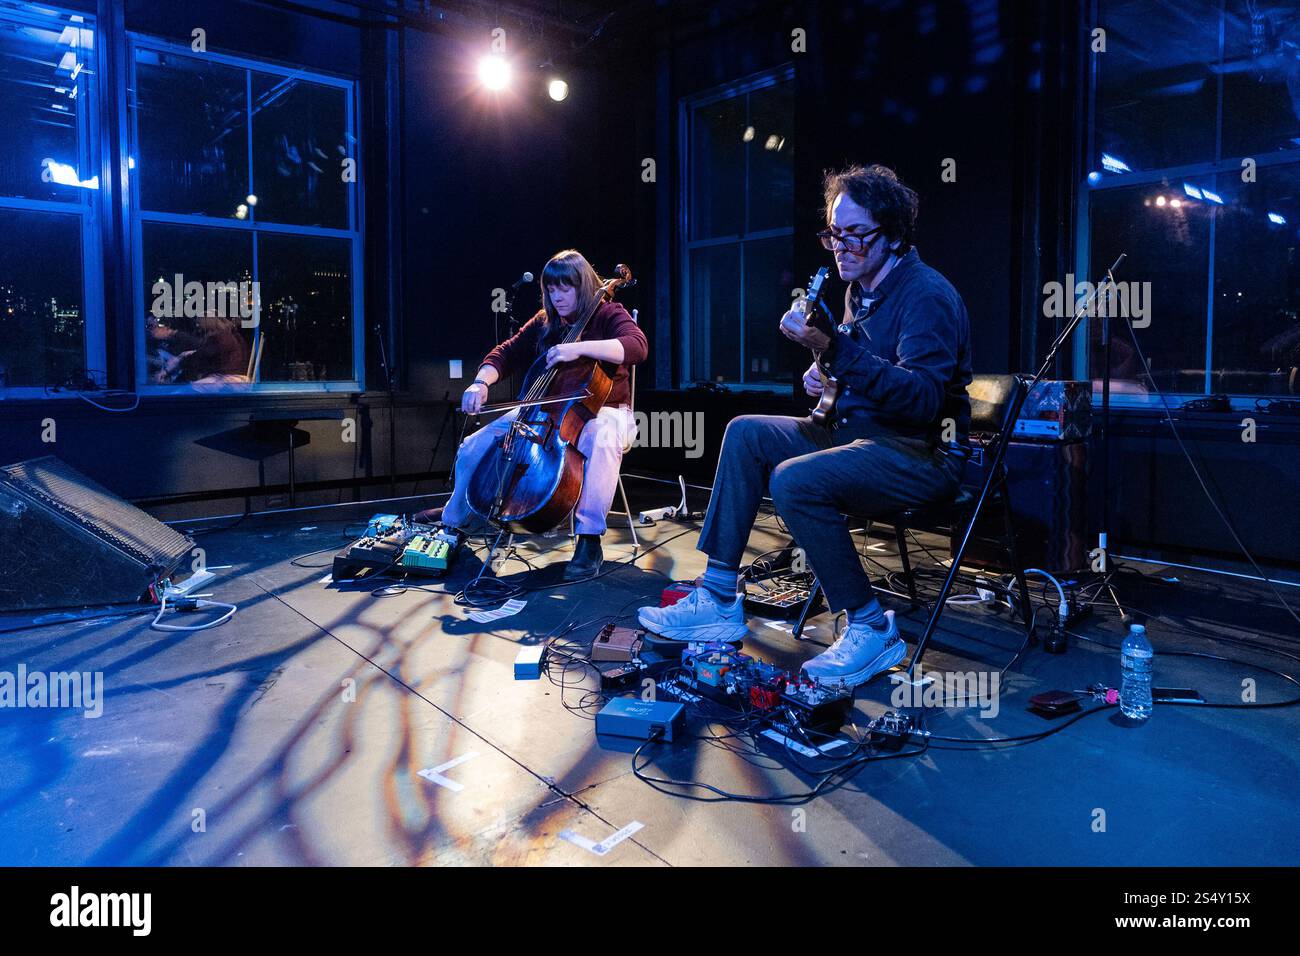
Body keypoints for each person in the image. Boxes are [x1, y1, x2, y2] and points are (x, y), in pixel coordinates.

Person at [639, 164, 973, 688]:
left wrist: (832, 350)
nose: (841, 247)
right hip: (859, 433)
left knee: (795, 478)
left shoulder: (925, 295)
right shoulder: (859, 290)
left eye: (856, 235)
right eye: (834, 234)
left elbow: (922, 401)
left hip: (922, 451)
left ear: (892, 235)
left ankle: (870, 627)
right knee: (746, 431)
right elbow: (861, 370)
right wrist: (826, 374)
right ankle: (720, 597)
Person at [420, 249, 647, 579]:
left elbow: (637, 346)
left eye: (564, 288)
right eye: (551, 290)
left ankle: (588, 540)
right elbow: (506, 353)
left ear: (583, 285)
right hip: (547, 412)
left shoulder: (608, 313)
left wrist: (579, 347)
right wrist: (481, 383)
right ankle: (455, 520)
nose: (557, 297)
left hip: (607, 411)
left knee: (603, 437)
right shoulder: (546, 321)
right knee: (473, 445)